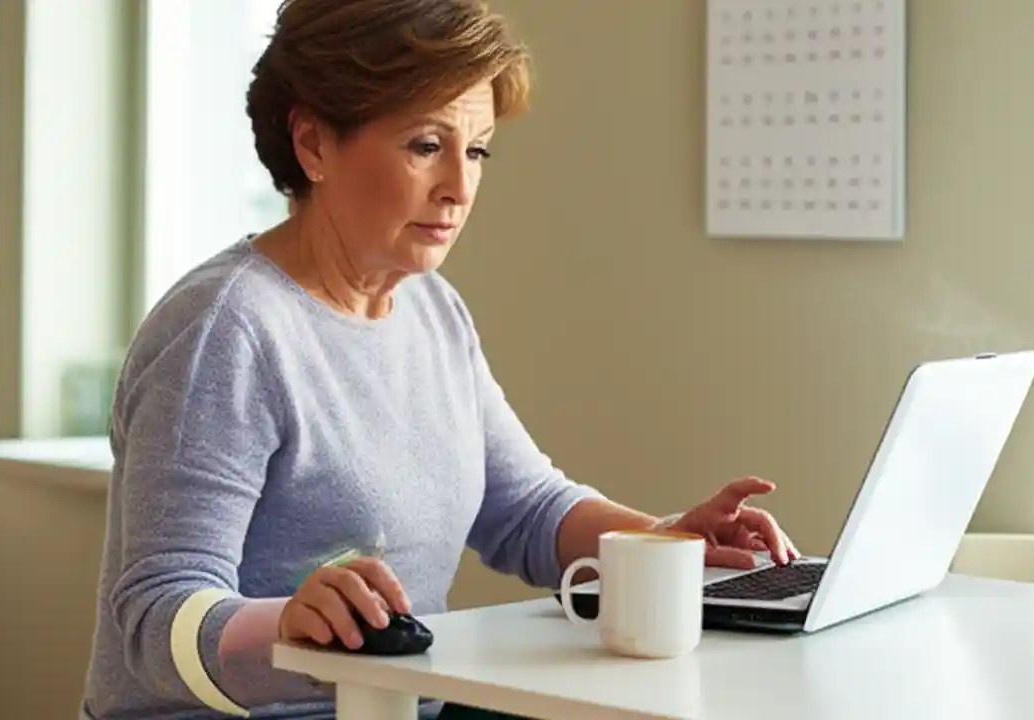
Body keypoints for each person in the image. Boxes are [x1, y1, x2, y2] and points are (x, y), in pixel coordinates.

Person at [79, 1, 800, 718]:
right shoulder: (226, 329)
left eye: (477, 150)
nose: (459, 186)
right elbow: (154, 618)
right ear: (314, 143)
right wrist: (292, 626)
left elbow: (527, 512)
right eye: (426, 145)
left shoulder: (432, 311)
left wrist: (666, 542)